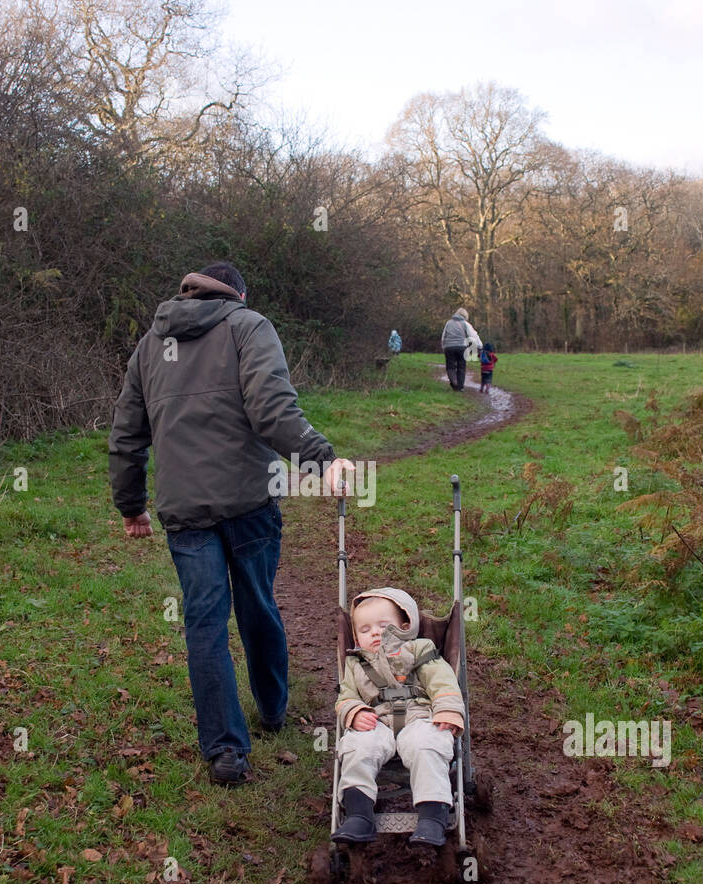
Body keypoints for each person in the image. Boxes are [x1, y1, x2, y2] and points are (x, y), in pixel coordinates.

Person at [109, 260, 354, 787]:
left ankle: (224, 751)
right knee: (258, 604)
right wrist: (321, 458)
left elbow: (127, 433)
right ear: (237, 295)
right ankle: (272, 710)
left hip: (184, 512)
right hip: (249, 501)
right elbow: (271, 409)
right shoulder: (248, 326)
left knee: (204, 623)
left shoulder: (152, 343)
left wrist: (131, 505)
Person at [333, 588, 464, 848]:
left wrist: (447, 710)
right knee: (357, 746)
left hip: (419, 717)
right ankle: (359, 814)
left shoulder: (420, 650)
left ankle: (432, 816)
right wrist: (354, 712)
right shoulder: (355, 664)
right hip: (376, 721)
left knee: (428, 743)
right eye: (365, 629)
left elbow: (443, 682)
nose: (375, 633)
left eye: (384, 626)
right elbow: (346, 696)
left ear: (405, 626)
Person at [441, 306, 482, 390]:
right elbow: (473, 335)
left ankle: (454, 382)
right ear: (465, 316)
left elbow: (443, 336)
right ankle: (460, 386)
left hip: (449, 347)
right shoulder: (465, 324)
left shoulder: (448, 323)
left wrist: (443, 346)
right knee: (461, 366)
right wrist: (479, 346)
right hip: (461, 347)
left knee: (450, 366)